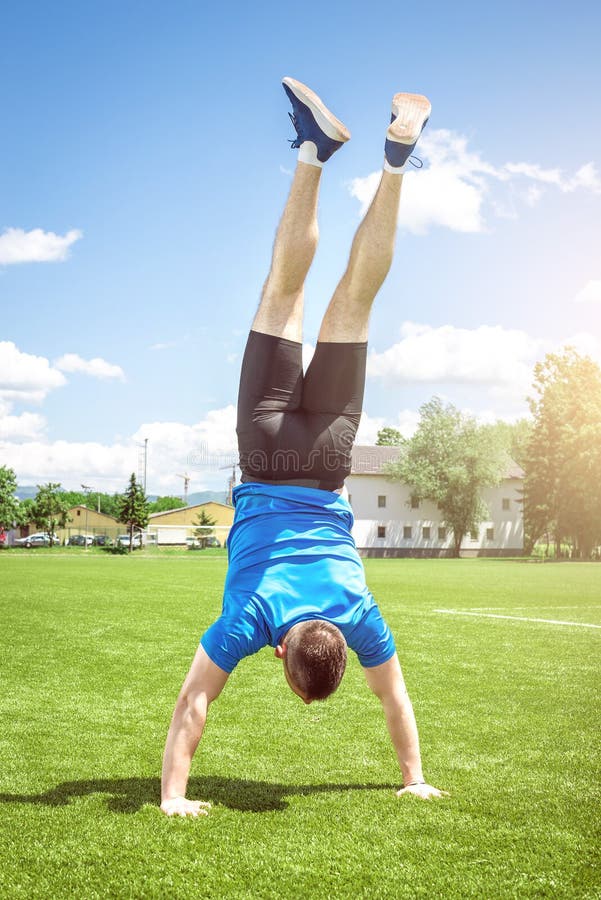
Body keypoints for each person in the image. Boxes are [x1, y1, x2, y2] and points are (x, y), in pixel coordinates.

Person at [161, 78, 448, 817]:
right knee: (283, 296)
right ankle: (314, 154)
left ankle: (393, 162)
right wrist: (172, 798)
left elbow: (395, 698)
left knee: (353, 301)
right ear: (286, 658)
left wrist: (414, 773)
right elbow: (194, 702)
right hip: (265, 456)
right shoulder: (250, 619)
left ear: (340, 653)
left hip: (327, 463)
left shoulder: (361, 615)